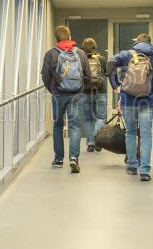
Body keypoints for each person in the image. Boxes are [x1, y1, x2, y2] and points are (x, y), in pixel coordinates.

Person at [109, 33, 153, 181]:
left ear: (137, 43)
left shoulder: (126, 55)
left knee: (130, 133)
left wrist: (116, 85)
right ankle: (145, 171)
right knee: (145, 135)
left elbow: (110, 63)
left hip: (128, 100)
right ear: (150, 44)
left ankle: (132, 166)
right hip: (147, 102)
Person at [41, 25, 91, 173]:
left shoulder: (51, 54)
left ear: (56, 39)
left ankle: (58, 159)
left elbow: (45, 76)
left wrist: (53, 90)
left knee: (58, 125)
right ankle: (74, 158)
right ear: (70, 37)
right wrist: (80, 89)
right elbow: (88, 76)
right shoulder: (80, 53)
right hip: (76, 94)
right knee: (74, 126)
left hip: (58, 94)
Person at [81, 37, 108, 152]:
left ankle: (90, 144)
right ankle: (97, 141)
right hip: (100, 91)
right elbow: (107, 73)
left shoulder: (81, 59)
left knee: (88, 119)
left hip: (85, 92)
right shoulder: (101, 59)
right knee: (100, 118)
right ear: (95, 47)